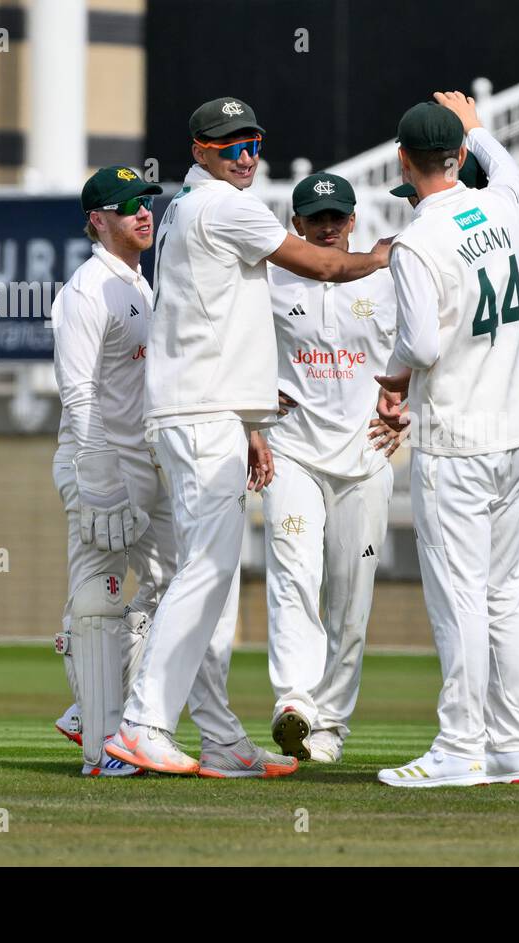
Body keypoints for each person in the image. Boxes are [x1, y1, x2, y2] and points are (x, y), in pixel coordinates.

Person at [105, 96, 391, 779]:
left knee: (214, 581)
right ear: (199, 150)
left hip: (209, 411)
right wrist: (382, 255)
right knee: (204, 573)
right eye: (228, 144)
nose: (244, 154)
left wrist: (254, 423)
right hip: (201, 413)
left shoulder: (182, 208)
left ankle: (221, 738)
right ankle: (143, 722)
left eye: (251, 140)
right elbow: (322, 266)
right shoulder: (224, 207)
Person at [373, 92, 519, 787]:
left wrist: (389, 381)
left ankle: (459, 748)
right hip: (518, 433)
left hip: (459, 438)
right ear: (461, 155)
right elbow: (513, 175)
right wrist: (478, 127)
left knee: (461, 598)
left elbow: (417, 341)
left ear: (403, 161)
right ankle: (517, 744)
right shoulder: (500, 209)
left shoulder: (417, 240)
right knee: (508, 594)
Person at [262, 171, 400, 764]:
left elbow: (428, 344)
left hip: (365, 455)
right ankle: (294, 700)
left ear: (353, 223)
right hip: (291, 450)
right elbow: (230, 341)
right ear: (296, 226)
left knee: (351, 596)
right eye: (314, 219)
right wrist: (257, 393)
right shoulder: (266, 277)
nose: (326, 227)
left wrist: (405, 404)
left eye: (336, 218)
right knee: (292, 570)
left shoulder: (389, 279)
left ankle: (331, 726)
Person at [49, 164, 170, 778]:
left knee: (176, 587)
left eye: (146, 202)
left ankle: (86, 709)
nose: (143, 213)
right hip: (97, 466)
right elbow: (79, 396)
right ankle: (102, 750)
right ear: (98, 221)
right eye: (128, 208)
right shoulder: (85, 290)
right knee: (100, 601)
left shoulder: (143, 286)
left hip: (145, 466)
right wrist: (101, 485)